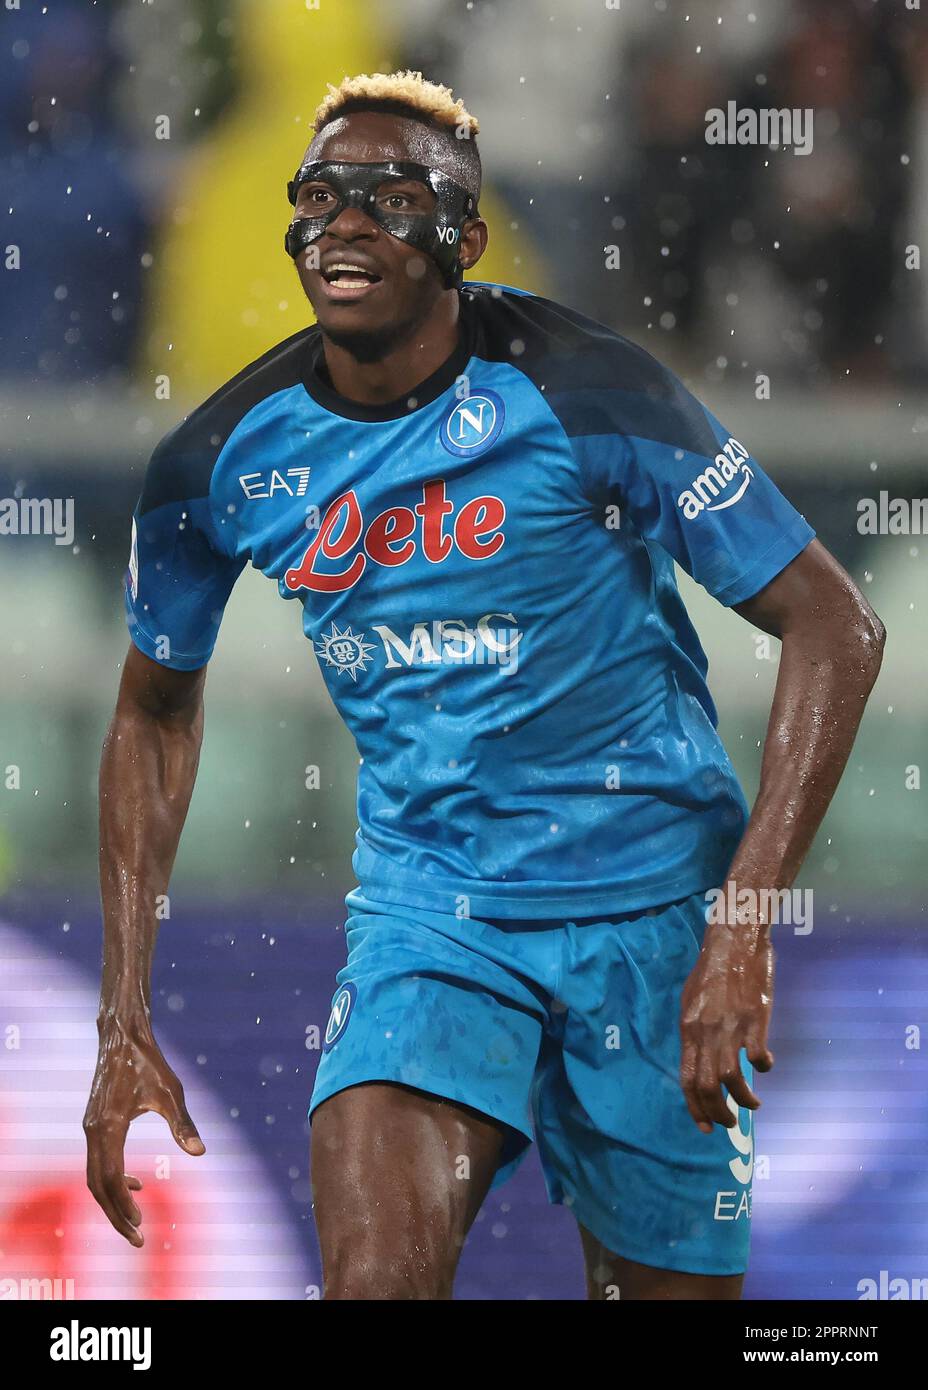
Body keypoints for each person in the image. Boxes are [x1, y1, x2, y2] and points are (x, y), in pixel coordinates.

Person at [84, 70, 885, 1300]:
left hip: (655, 917)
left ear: (464, 238)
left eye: (386, 196)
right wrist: (121, 1014)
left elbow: (836, 624)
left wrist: (744, 920)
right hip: (432, 915)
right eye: (319, 196)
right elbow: (151, 705)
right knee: (375, 1285)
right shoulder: (219, 461)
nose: (341, 222)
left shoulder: (589, 389)